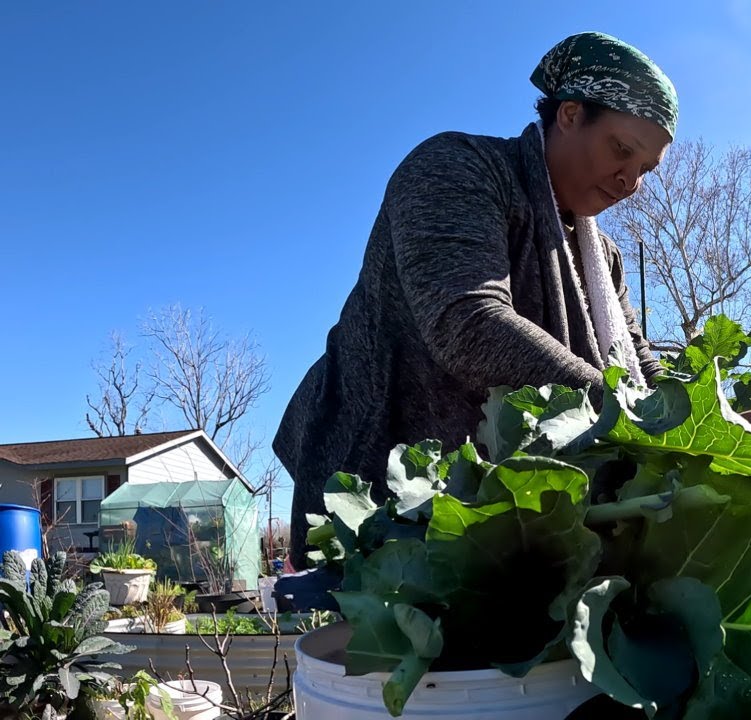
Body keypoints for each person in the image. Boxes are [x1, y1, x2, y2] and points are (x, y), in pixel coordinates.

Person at [272, 31, 678, 566]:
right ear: (571, 114)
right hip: (385, 483)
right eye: (622, 150)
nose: (630, 180)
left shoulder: (601, 255)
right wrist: (630, 417)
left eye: (645, 169)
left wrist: (707, 413)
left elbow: (638, 363)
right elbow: (468, 321)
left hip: (499, 510)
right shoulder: (458, 168)